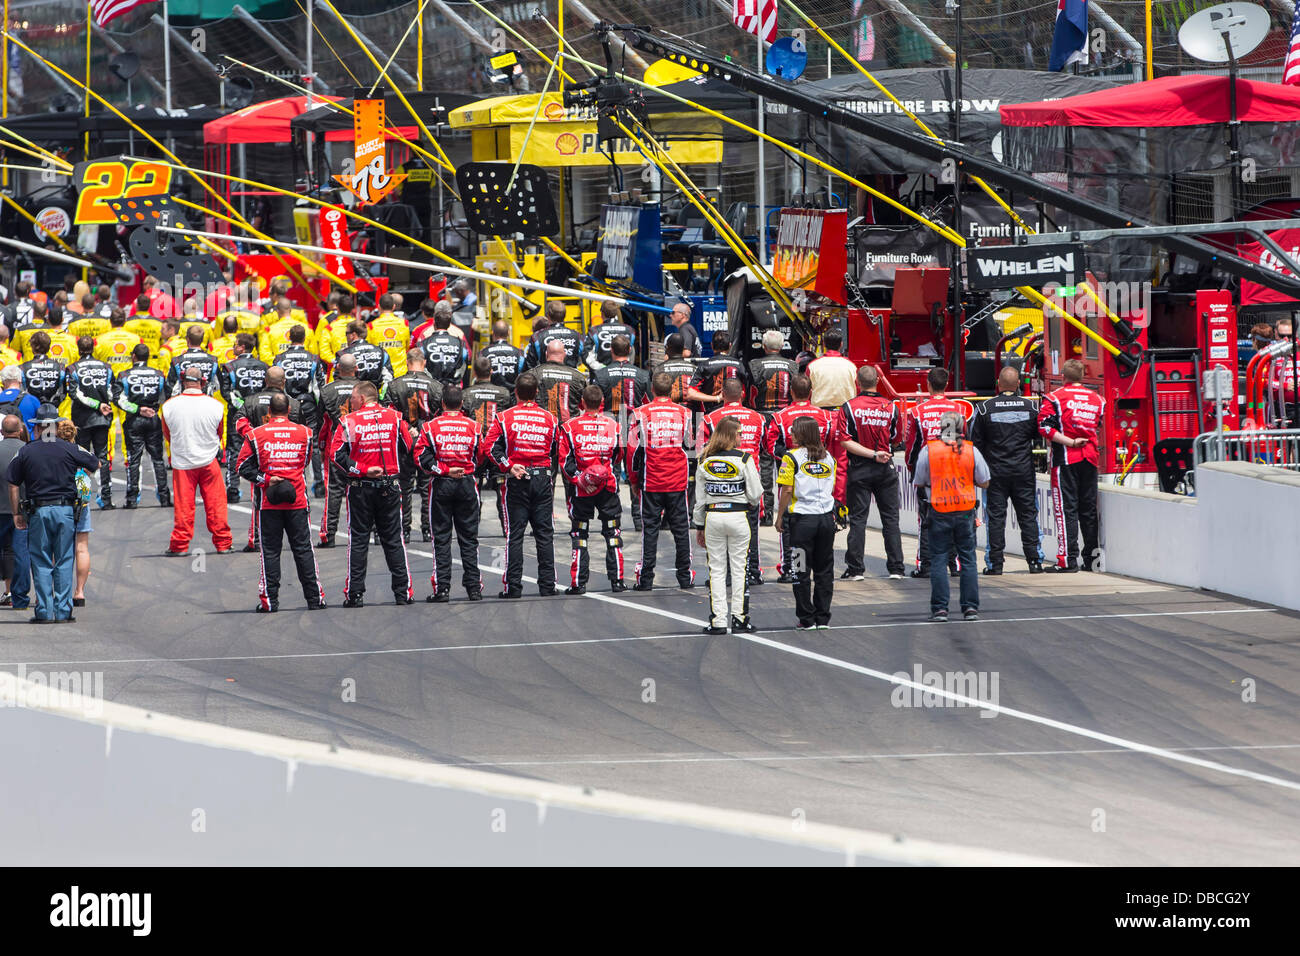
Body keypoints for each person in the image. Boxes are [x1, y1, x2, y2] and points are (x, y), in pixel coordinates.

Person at [5, 403, 100, 623]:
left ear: (37, 428)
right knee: (65, 559)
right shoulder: (69, 448)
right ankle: (64, 611)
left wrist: (16, 513)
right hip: (65, 510)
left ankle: (45, 611)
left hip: (38, 511)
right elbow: (95, 463)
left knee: (40, 560)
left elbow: (13, 483)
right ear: (57, 426)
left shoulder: (26, 450)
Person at [237, 392, 326, 612]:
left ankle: (269, 601)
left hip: (269, 502)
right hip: (297, 500)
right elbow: (306, 461)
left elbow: (242, 467)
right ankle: (315, 600)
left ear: (268, 413)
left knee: (270, 551)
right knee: (304, 550)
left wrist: (265, 479)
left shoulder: (256, 434)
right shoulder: (305, 433)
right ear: (289, 411)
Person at [331, 380, 414, 607]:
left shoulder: (349, 421)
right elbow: (408, 447)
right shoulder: (395, 418)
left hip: (361, 489)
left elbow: (336, 455)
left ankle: (355, 594)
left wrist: (363, 469)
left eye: (353, 398)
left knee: (358, 541)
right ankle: (403, 593)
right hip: (390, 486)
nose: (351, 401)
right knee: (393, 540)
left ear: (363, 397)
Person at [483, 371, 560, 598]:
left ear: (515, 392)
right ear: (536, 393)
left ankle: (513, 587)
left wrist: (508, 465)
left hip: (517, 478)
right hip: (542, 478)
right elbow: (557, 448)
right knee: (544, 534)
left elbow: (489, 446)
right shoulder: (550, 418)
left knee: (515, 534)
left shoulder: (504, 417)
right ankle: (548, 586)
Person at [913, 412, 990, 622]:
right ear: (961, 428)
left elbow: (919, 480)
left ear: (941, 427)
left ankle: (940, 609)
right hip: (965, 509)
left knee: (938, 559)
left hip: (938, 508)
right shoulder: (971, 450)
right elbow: (985, 480)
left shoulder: (929, 450)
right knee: (968, 559)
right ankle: (970, 608)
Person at [971, 365, 1043, 574]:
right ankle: (1035, 562)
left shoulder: (984, 408)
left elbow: (975, 444)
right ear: (1019, 384)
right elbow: (1038, 439)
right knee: (1028, 516)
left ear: (998, 385)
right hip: (1023, 472)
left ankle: (995, 565)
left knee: (995, 518)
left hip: (995, 474)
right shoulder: (1031, 408)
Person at [414, 385, 483, 602]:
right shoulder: (475, 426)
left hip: (442, 484)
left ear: (442, 403)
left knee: (442, 539)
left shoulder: (430, 426)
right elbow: (482, 454)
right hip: (467, 483)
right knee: (469, 538)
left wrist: (444, 469)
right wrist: (468, 469)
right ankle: (474, 589)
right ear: (461, 404)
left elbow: (420, 458)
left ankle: (442, 589)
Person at [836, 365, 905, 581]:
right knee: (891, 519)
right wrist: (878, 453)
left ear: (857, 383)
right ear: (877, 381)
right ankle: (896, 568)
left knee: (858, 520)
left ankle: (856, 569)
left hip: (859, 468)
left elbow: (845, 441)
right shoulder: (891, 406)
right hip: (885, 466)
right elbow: (896, 437)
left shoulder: (849, 407)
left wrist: (871, 454)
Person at [694, 416, 762, 634]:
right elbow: (755, 493)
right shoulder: (744, 459)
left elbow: (700, 499)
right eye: (740, 433)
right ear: (732, 435)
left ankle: (718, 621)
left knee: (716, 570)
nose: (742, 436)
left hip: (713, 517)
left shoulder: (704, 459)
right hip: (738, 515)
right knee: (739, 569)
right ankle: (740, 619)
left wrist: (699, 525)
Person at [628, 372, 695, 590]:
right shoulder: (685, 412)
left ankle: (646, 580)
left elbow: (631, 450)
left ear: (652, 390)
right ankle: (685, 577)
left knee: (650, 530)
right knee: (681, 529)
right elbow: (694, 447)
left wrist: (633, 480)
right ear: (672, 391)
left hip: (652, 480)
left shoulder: (639, 413)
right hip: (677, 481)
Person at [696, 378, 767, 585]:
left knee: (719, 532)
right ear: (743, 394)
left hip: (720, 481)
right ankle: (752, 572)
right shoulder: (759, 418)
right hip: (749, 478)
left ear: (723, 395)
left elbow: (700, 451)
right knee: (750, 530)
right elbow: (765, 448)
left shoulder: (711, 418)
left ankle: (721, 576)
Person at [1038, 357, 1104, 572]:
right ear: (1083, 376)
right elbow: (1098, 423)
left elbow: (1044, 428)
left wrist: (1070, 441)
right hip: (1090, 459)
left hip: (1066, 459)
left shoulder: (1054, 398)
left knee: (1065, 510)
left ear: (1063, 376)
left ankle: (1067, 561)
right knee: (1089, 511)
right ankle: (1093, 561)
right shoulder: (1098, 399)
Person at [559, 384, 626, 595]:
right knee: (613, 533)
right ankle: (617, 581)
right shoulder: (614, 426)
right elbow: (619, 455)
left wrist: (580, 479)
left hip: (581, 490)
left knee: (579, 535)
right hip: (607, 486)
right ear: (602, 404)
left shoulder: (569, 427)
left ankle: (578, 583)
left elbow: (564, 461)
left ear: (581, 403)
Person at [775, 417, 839, 631]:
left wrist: (779, 516)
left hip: (802, 523)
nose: (791, 436)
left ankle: (806, 618)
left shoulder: (790, 457)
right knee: (824, 570)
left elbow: (786, 490)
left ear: (802, 434)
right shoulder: (828, 456)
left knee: (800, 569)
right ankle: (823, 618)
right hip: (826, 521)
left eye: (794, 433)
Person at [161, 367, 233, 556]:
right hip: (209, 460)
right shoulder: (216, 405)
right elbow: (219, 433)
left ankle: (180, 545)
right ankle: (223, 543)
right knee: (216, 504)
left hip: (182, 462)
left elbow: (168, 435)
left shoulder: (168, 406)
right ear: (202, 383)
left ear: (183, 382)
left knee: (184, 506)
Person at [904, 368, 966, 578]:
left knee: (926, 519)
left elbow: (911, 447)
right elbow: (963, 441)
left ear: (928, 385)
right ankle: (955, 564)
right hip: (953, 470)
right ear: (947, 384)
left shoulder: (917, 411)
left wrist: (913, 469)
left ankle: (926, 565)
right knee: (954, 516)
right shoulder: (959, 409)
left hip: (928, 471)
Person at [385, 347, 442, 542]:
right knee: (427, 487)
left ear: (407, 362)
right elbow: (439, 418)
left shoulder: (394, 385)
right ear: (424, 362)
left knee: (404, 487)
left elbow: (389, 415)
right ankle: (427, 530)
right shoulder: (435, 386)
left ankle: (405, 530)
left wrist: (407, 428)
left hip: (404, 442)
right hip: (426, 442)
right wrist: (423, 428)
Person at [115, 344, 172, 508]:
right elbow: (166, 396)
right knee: (158, 459)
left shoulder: (124, 375)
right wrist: (153, 409)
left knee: (134, 460)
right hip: (153, 418)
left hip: (134, 420)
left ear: (134, 356)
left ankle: (132, 500)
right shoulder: (159, 375)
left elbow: (118, 399)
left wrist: (138, 409)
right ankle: (164, 498)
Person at [274, 324, 327, 496]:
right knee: (314, 444)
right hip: (309, 403)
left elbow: (277, 383)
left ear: (289, 337)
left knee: (288, 442)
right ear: (305, 338)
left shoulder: (280, 358)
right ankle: (319, 486)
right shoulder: (313, 358)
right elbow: (320, 386)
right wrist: (319, 409)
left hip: (288, 404)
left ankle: (291, 481)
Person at [65, 336, 116, 510]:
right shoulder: (106, 367)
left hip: (83, 421)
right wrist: (102, 405)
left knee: (81, 458)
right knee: (103, 457)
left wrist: (96, 405)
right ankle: (106, 498)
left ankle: (82, 498)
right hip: (102, 419)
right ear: (93, 348)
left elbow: (74, 394)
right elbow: (111, 392)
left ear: (78, 349)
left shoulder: (72, 369)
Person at [317, 355, 362, 548]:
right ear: (356, 368)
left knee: (334, 490)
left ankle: (329, 535)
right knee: (362, 489)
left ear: (338, 368)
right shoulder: (366, 388)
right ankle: (366, 534)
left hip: (337, 444)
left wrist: (320, 447)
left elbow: (321, 423)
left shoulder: (327, 390)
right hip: (362, 443)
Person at [221, 333, 269, 502]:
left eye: (235, 345)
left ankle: (233, 490)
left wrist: (243, 406)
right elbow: (268, 391)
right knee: (261, 450)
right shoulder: (264, 366)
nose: (233, 347)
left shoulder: (228, 367)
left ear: (241, 347)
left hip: (238, 414)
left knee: (234, 450)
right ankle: (263, 484)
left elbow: (226, 393)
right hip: (260, 413)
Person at [56, 419, 93, 607]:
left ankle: (58, 590)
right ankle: (79, 591)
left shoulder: (55, 451)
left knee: (57, 548)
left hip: (61, 499)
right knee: (82, 547)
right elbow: (97, 464)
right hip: (81, 498)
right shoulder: (79, 449)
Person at [0, 415, 31, 613]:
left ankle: (9, 591)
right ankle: (16, 594)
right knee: (20, 553)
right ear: (20, 430)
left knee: (6, 551)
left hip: (1, 508)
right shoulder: (29, 450)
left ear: (2, 432)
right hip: (23, 508)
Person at [687, 330, 748, 408]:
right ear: (730, 346)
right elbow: (745, 392)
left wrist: (717, 398)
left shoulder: (704, 365)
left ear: (711, 345)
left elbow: (690, 393)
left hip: (711, 414)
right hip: (734, 412)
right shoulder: (739, 365)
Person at [534, 338, 588, 425]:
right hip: (569, 429)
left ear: (546, 354)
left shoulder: (533, 374)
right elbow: (586, 405)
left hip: (542, 428)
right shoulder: (578, 377)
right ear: (565, 354)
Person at [418, 302, 469, 387]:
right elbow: (467, 355)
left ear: (434, 319)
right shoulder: (459, 333)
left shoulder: (425, 333)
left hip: (430, 385)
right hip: (453, 385)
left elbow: (418, 357)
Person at [524, 301, 584, 369]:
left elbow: (529, 365)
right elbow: (586, 357)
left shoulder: (537, 336)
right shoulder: (577, 336)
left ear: (548, 315)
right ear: (565, 315)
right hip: (571, 377)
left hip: (545, 377)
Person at [807, 329, 857, 410]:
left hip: (820, 413)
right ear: (841, 344)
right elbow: (858, 389)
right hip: (846, 412)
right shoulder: (851, 366)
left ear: (824, 344)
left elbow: (807, 391)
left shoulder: (812, 366)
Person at [336, 319, 394, 388]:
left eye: (346, 333)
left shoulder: (343, 354)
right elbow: (388, 378)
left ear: (353, 335)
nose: (346, 336)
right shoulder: (382, 352)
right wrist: (383, 397)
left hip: (353, 395)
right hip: (374, 395)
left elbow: (337, 379)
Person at [367, 293, 412, 378]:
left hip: (382, 374)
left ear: (379, 307)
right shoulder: (404, 324)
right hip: (401, 373)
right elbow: (407, 347)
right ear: (394, 306)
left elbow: (370, 350)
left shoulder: (371, 326)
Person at [584, 301, 637, 370]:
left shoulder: (594, 331)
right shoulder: (630, 331)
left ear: (602, 313)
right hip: (624, 373)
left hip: (600, 376)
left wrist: (604, 369)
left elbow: (586, 356)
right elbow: (631, 354)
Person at [19, 330, 66, 406]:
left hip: (31, 408)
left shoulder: (22, 368)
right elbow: (62, 393)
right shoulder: (60, 367)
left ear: (32, 346)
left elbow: (21, 392)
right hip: (52, 409)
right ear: (48, 347)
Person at [479, 320, 525, 390]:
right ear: (508, 333)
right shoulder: (519, 353)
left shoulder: (483, 353)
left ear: (493, 333)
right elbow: (524, 376)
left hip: (491, 395)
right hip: (512, 395)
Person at [654, 333, 697, 404]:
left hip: (668, 411)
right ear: (683, 348)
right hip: (690, 412)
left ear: (667, 348)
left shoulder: (659, 369)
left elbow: (654, 396)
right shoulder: (695, 369)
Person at [0, 366, 38, 437]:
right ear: (20, 381)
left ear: (3, 382)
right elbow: (39, 427)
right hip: (27, 444)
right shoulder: (32, 400)